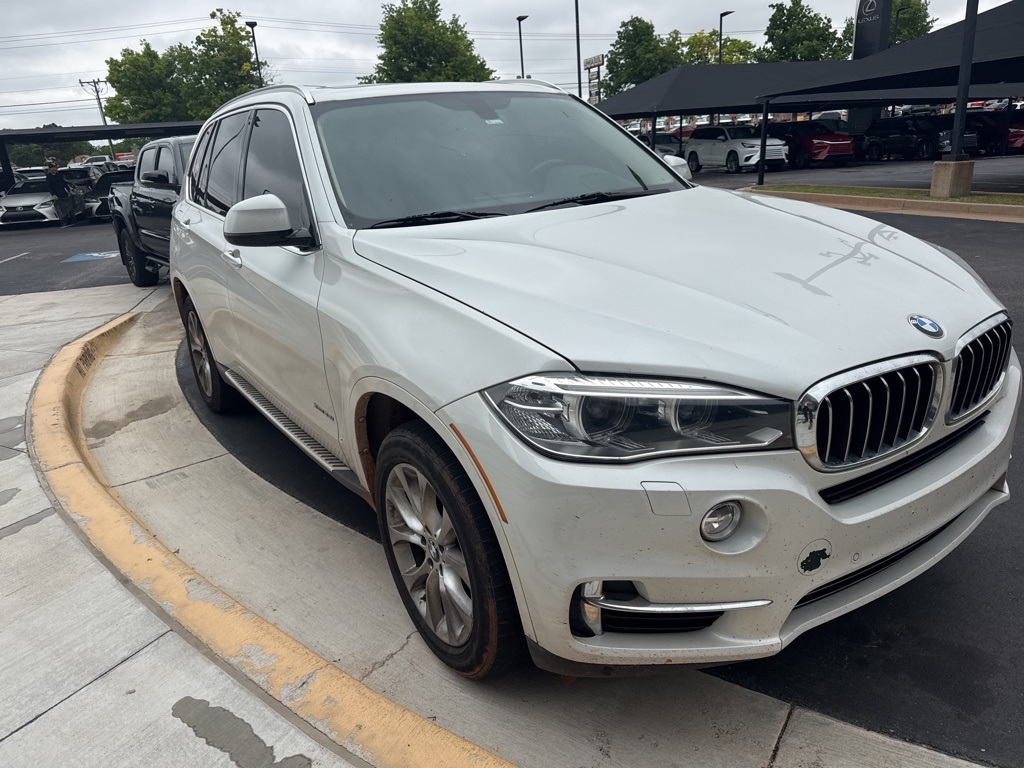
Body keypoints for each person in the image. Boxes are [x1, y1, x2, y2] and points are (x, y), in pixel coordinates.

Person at [45, 162, 74, 227]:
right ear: (50, 170)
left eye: (55, 168)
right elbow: (49, 187)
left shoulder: (59, 175)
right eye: (52, 168)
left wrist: (69, 190)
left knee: (67, 206)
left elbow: (64, 183)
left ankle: (70, 218)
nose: (54, 169)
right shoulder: (49, 177)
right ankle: (63, 220)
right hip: (57, 195)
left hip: (63, 193)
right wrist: (53, 194)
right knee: (60, 208)